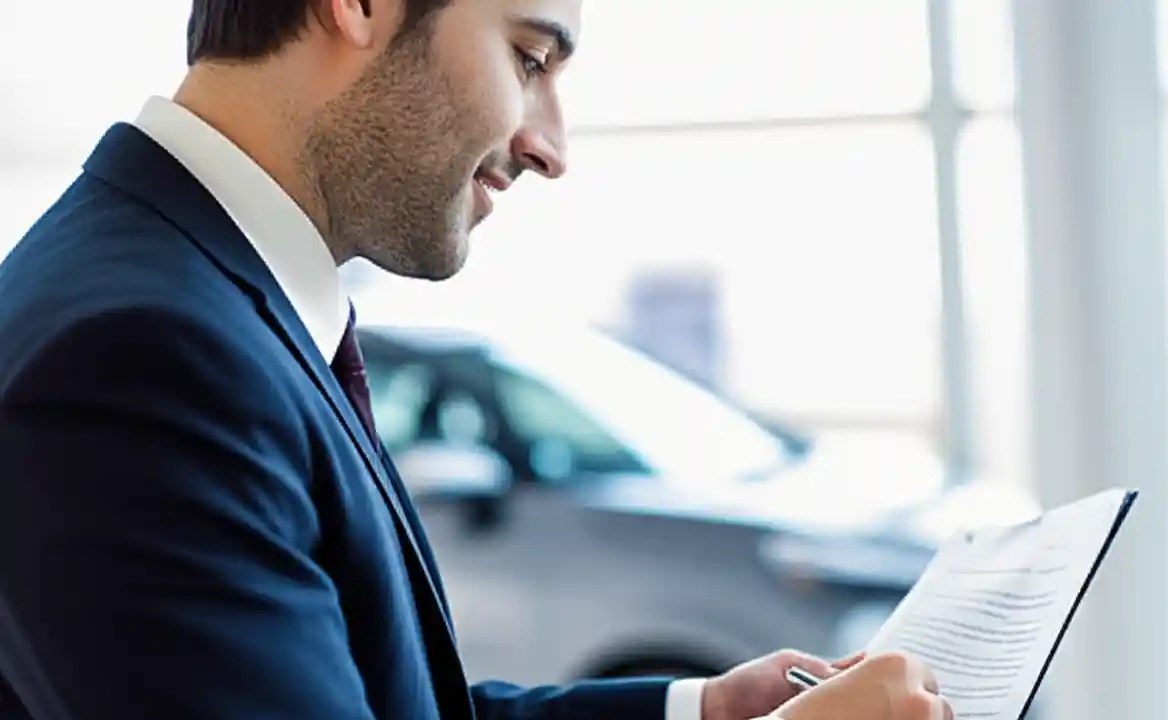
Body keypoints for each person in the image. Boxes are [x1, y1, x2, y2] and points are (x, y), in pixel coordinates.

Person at [0, 1, 951, 719]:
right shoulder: (140, 357)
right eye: (527, 57)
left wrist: (704, 712)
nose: (551, 147)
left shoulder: (204, 303)